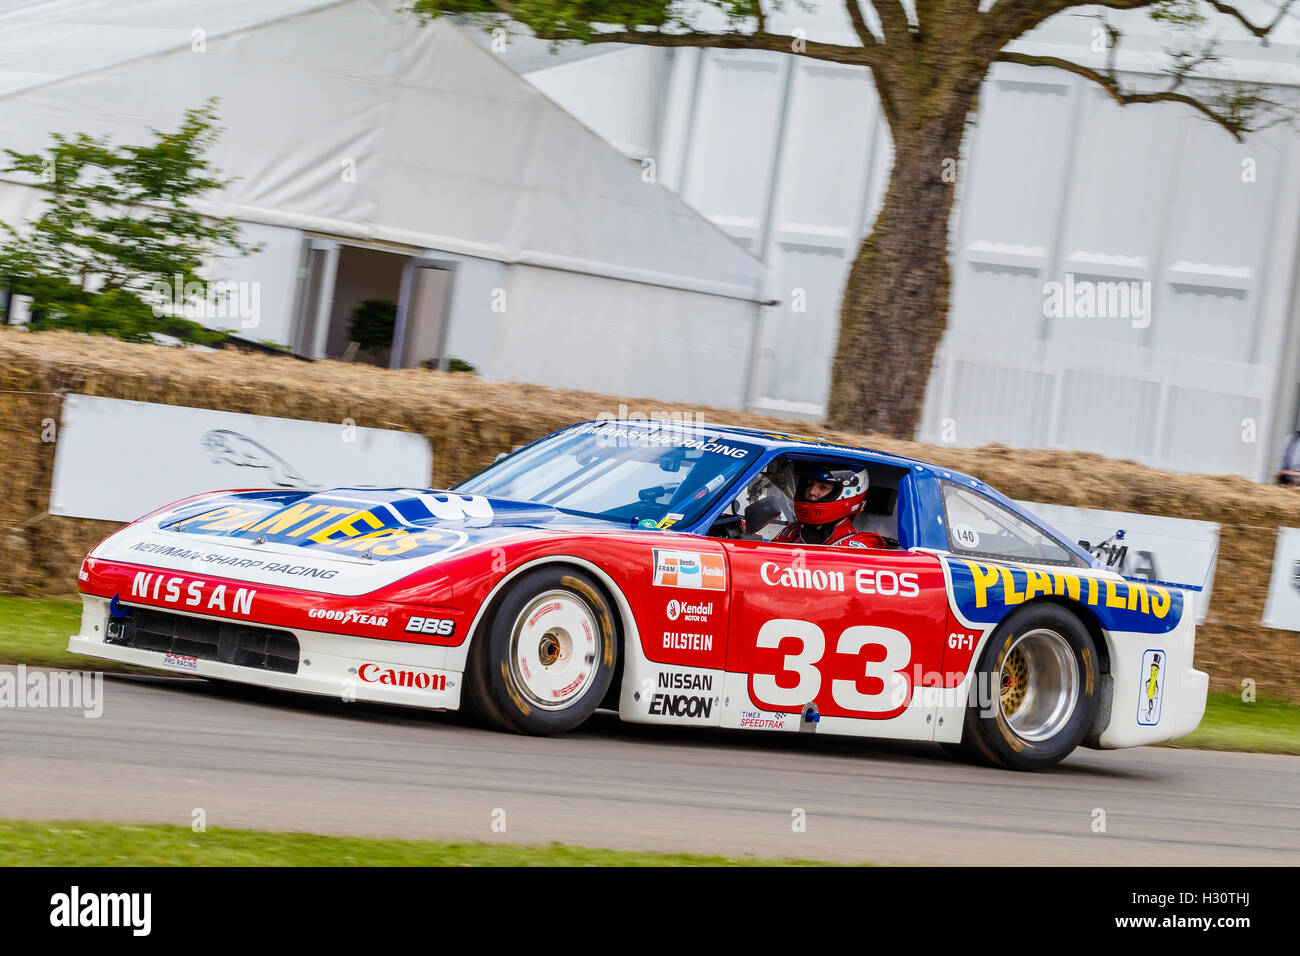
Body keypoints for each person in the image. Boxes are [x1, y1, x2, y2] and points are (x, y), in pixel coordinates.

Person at [772, 462, 886, 548]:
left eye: (823, 487)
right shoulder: (794, 531)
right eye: (809, 484)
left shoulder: (861, 543)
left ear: (848, 494)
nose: (811, 492)